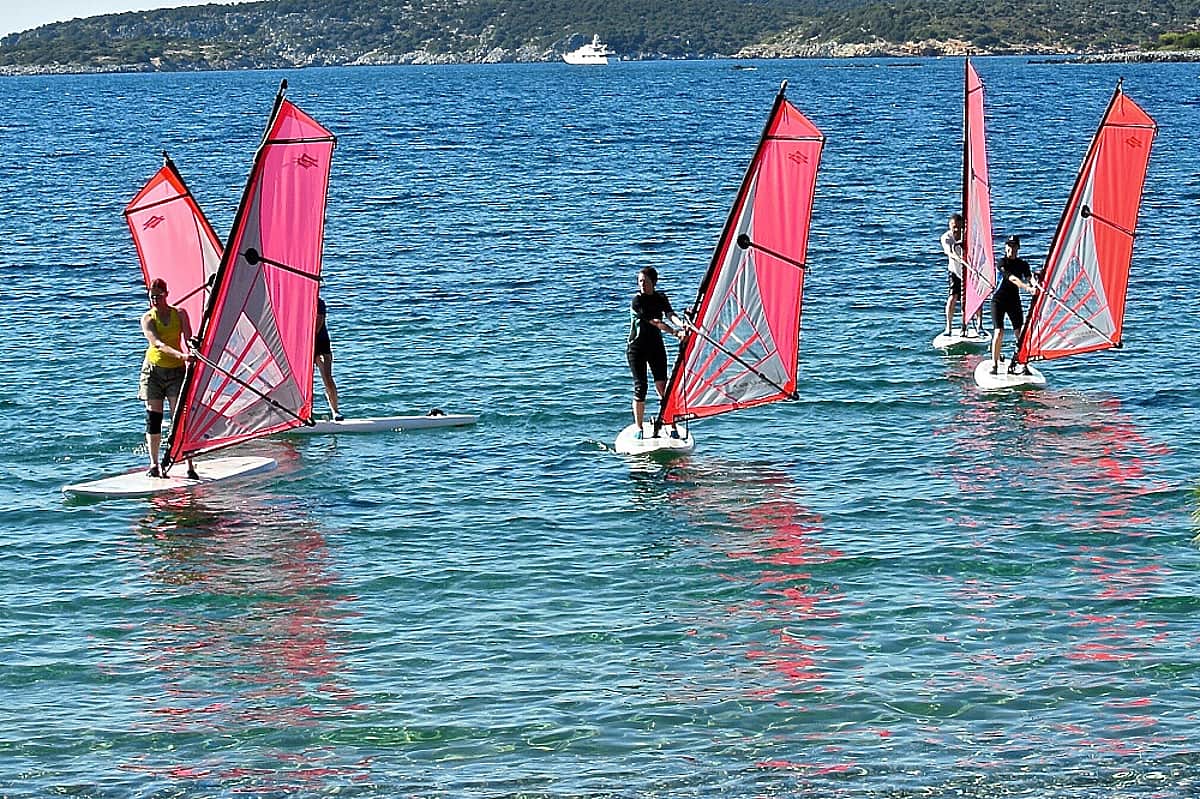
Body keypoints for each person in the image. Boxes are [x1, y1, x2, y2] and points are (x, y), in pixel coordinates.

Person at [139, 278, 198, 479]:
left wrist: (193, 349)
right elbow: (157, 344)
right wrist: (182, 355)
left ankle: (189, 465)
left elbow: (188, 337)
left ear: (166, 294)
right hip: (153, 371)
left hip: (176, 373)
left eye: (159, 296)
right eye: (152, 296)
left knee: (179, 419)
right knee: (154, 419)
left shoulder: (179, 314)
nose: (155, 300)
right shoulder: (148, 319)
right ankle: (154, 465)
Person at [626, 266, 684, 438]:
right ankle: (639, 428)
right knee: (641, 387)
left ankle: (671, 424)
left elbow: (669, 314)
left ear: (654, 282)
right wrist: (675, 333)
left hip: (656, 347)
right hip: (636, 349)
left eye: (646, 282)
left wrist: (682, 325)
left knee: (662, 386)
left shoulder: (661, 297)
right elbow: (656, 322)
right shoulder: (637, 301)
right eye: (640, 282)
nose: (642, 285)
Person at [989, 235, 1039, 375]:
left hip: (1013, 301)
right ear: (1005, 248)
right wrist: (1027, 289)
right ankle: (995, 365)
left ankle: (1024, 364)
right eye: (1009, 246)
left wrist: (1036, 285)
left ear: (1018, 248)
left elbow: (1030, 278)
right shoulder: (1001, 263)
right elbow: (1013, 279)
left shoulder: (1023, 264)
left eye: (1014, 246)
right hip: (998, 301)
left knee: (1020, 333)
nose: (1011, 249)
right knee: (999, 332)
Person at [314, 294, 343, 421]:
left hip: (321, 343)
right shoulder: (298, 302)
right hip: (305, 343)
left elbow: (319, 322)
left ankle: (335, 411)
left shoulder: (319, 302)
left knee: (327, 377)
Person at [940, 213, 966, 336]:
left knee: (972, 298)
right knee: (953, 297)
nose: (956, 230)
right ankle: (948, 327)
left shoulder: (967, 236)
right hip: (955, 271)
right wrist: (958, 258)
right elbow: (949, 252)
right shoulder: (946, 237)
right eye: (953, 226)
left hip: (968, 272)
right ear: (950, 226)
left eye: (958, 227)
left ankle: (978, 325)